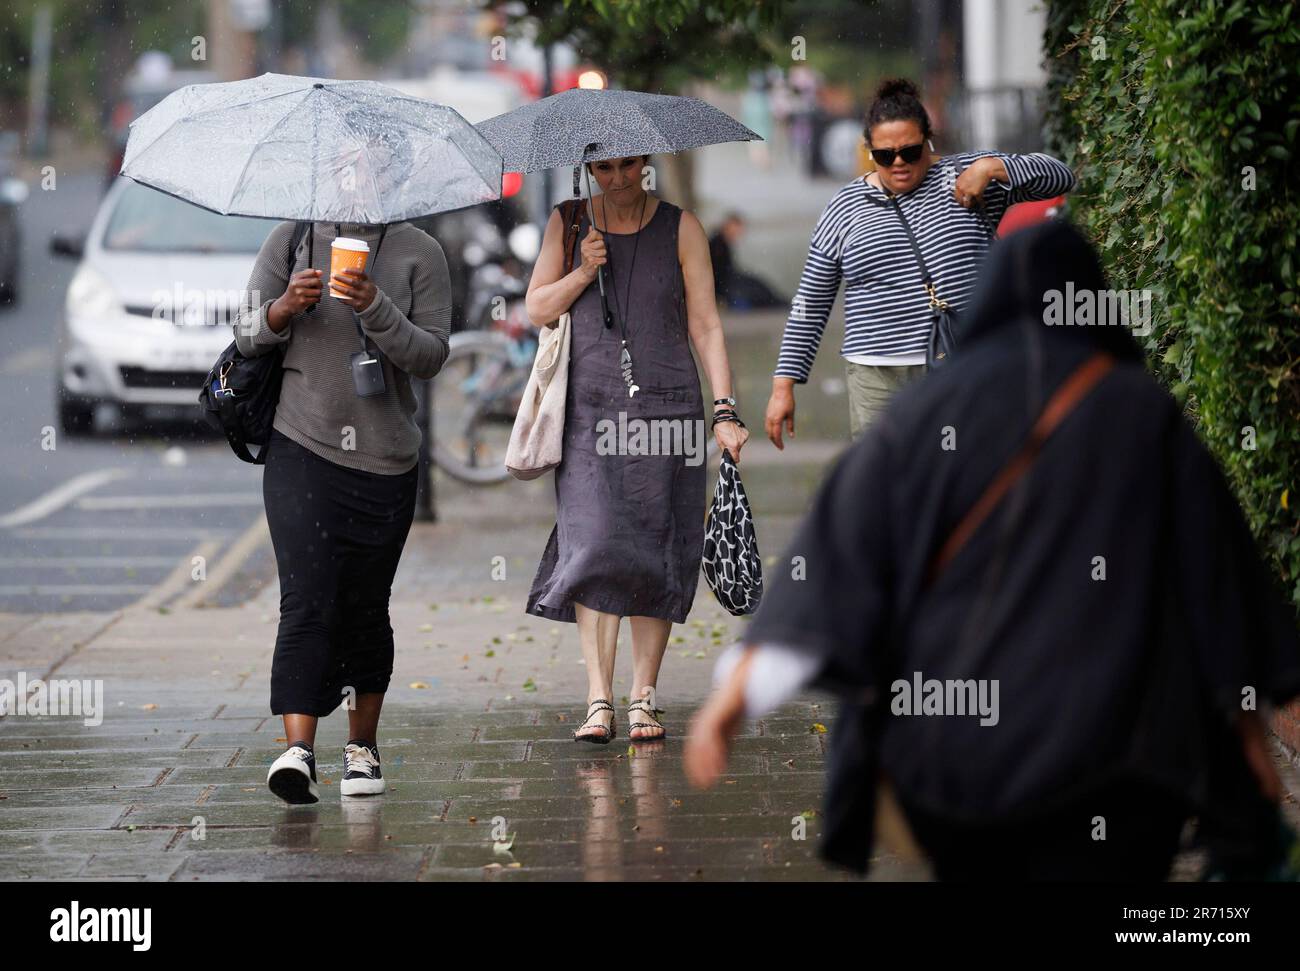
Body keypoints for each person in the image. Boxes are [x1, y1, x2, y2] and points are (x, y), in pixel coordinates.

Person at [685, 220, 1300, 881]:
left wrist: (737, 695)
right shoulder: (1141, 412)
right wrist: (1251, 745)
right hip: (1122, 760)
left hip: (958, 767)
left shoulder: (924, 415)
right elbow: (1218, 589)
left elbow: (838, 557)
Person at [233, 193, 453, 804]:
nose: (354, 179)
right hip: (300, 445)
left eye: (369, 166)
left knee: (363, 605)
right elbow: (245, 334)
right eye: (342, 166)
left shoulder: (419, 251)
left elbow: (432, 355)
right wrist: (282, 310)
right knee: (305, 598)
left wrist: (375, 307)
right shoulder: (290, 239)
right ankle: (298, 751)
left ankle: (362, 748)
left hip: (385, 460)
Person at [523, 154, 748, 743]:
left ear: (645, 163)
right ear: (589, 169)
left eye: (628, 166)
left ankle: (643, 697)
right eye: (604, 169)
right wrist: (580, 271)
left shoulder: (682, 227)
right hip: (588, 409)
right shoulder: (568, 222)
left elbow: (706, 324)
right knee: (595, 540)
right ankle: (599, 698)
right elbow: (536, 309)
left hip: (669, 404)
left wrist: (724, 410)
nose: (618, 178)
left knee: (657, 542)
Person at [765, 77, 1075, 444]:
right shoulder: (843, 209)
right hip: (878, 376)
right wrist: (784, 385)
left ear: (928, 141)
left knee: (968, 471)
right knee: (885, 485)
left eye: (910, 152)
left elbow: (1060, 176)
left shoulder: (967, 176)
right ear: (869, 150)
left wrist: (992, 168)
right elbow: (810, 303)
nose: (898, 163)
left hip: (965, 361)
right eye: (884, 155)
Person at [708, 213, 785, 310]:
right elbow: (720, 273)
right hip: (723, 285)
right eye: (737, 230)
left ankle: (779, 302)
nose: (739, 234)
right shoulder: (717, 244)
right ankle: (779, 304)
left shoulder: (721, 241)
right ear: (729, 226)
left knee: (757, 284)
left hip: (727, 282)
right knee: (756, 288)